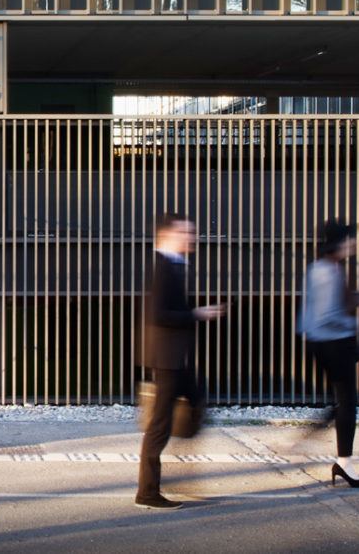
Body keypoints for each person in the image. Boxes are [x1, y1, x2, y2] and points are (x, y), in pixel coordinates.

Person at [135, 212, 225, 510]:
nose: (192, 237)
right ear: (168, 235)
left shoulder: (175, 264)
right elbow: (159, 314)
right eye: (186, 232)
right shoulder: (162, 266)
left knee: (197, 404)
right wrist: (197, 314)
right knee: (159, 426)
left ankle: (180, 474)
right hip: (167, 358)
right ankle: (147, 492)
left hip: (177, 357)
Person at [300, 218, 359, 487]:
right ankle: (344, 462)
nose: (354, 242)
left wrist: (358, 298)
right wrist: (352, 322)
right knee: (348, 401)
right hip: (333, 342)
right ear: (339, 243)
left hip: (325, 342)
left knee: (344, 399)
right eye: (350, 238)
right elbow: (325, 315)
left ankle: (330, 434)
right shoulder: (328, 272)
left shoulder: (324, 268)